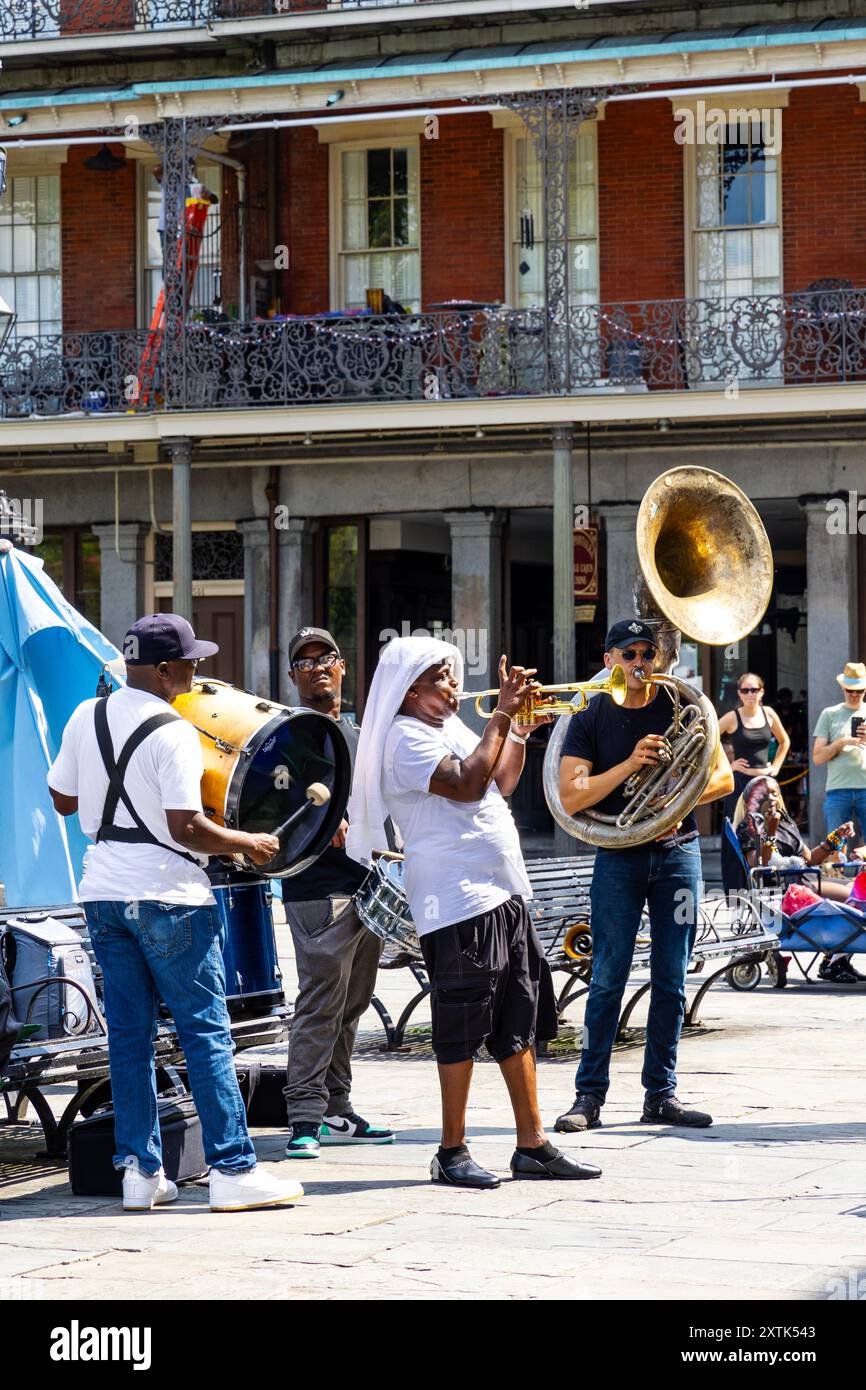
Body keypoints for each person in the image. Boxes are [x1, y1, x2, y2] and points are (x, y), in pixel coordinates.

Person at [47, 614, 303, 1213]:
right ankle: (233, 1169)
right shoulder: (174, 731)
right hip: (170, 896)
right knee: (204, 1033)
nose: (197, 672)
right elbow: (186, 828)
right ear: (162, 669)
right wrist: (248, 842)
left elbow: (63, 799)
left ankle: (139, 1172)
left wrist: (112, 781)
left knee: (129, 1039)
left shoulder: (88, 715)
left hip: (104, 893)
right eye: (190, 663)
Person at [346, 635, 602, 1189]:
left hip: (500, 889)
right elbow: (465, 785)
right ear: (410, 688)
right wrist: (502, 715)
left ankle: (532, 1143)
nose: (454, 684)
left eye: (453, 673)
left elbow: (499, 782)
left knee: (520, 1016)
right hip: (455, 897)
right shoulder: (402, 737)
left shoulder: (449, 727)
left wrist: (519, 732)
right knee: (461, 1021)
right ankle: (450, 1149)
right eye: (441, 676)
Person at [554, 620, 734, 1134]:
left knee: (672, 978)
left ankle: (662, 1093)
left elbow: (720, 778)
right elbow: (572, 795)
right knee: (608, 977)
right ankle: (588, 1096)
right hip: (620, 855)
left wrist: (676, 801)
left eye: (648, 653)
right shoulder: (590, 713)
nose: (640, 662)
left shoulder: (682, 703)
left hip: (678, 854)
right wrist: (631, 764)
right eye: (629, 652)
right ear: (610, 658)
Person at [282, 626, 394, 1159]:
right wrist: (325, 823)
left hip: (367, 884)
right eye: (304, 663)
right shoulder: (285, 735)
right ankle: (303, 1117)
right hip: (316, 886)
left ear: (342, 665)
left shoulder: (356, 732)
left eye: (324, 658)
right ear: (292, 677)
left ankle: (337, 1108)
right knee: (321, 1003)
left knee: (352, 1003)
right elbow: (269, 808)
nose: (317, 668)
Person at [734, 774, 865, 983]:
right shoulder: (751, 824)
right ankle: (833, 961)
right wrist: (770, 832)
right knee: (855, 895)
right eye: (765, 794)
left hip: (804, 879)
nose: (772, 798)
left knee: (856, 888)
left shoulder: (786, 822)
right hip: (784, 890)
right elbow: (757, 864)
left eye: (775, 792)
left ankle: (836, 959)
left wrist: (836, 837)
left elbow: (811, 858)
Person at [717, 673, 790, 818]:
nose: (750, 694)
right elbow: (710, 739)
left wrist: (776, 767)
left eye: (754, 690)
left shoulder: (768, 713)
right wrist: (728, 766)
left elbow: (784, 741)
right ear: (739, 693)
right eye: (745, 690)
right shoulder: (732, 717)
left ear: (761, 692)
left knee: (768, 834)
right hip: (739, 783)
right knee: (737, 834)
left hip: (766, 782)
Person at [812, 662, 866, 846]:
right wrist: (842, 742)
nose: (854, 695)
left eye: (859, 691)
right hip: (838, 789)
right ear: (843, 688)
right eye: (850, 690)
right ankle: (837, 875)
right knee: (834, 847)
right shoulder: (830, 714)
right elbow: (817, 757)